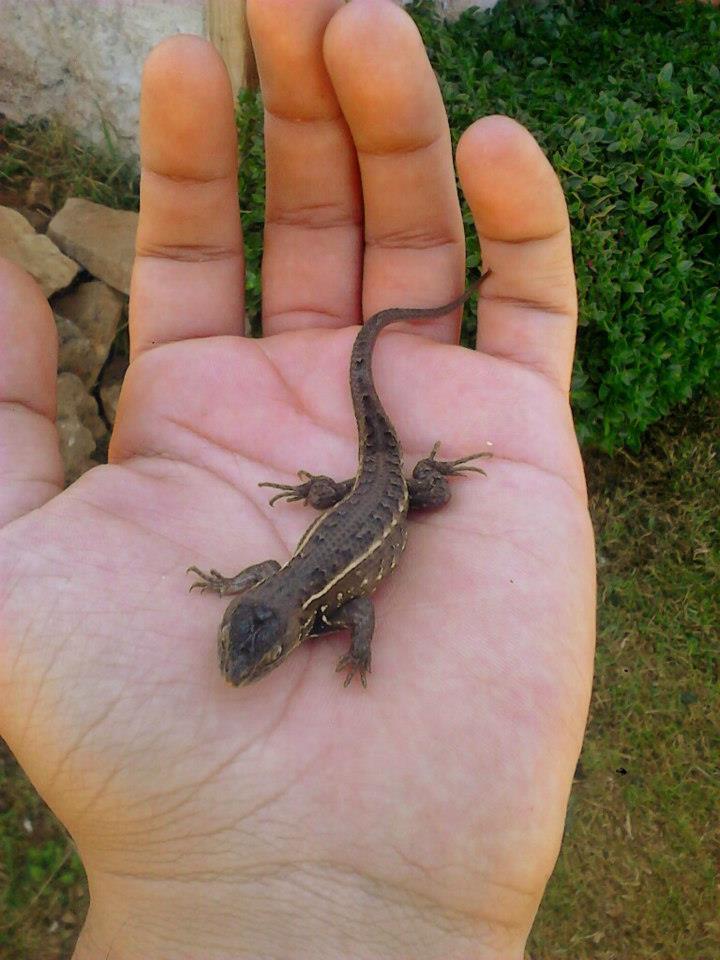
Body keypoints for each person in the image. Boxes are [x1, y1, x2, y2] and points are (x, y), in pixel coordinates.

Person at [0, 1, 595, 957]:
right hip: (357, 496)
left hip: (381, 491)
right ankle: (390, 408)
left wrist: (374, 580)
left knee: (427, 489)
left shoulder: (317, 609)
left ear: (282, 630)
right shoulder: (291, 599)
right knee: (365, 460)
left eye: (253, 650)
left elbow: (355, 611)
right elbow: (303, 597)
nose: (247, 660)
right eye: (251, 649)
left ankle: (430, 455)